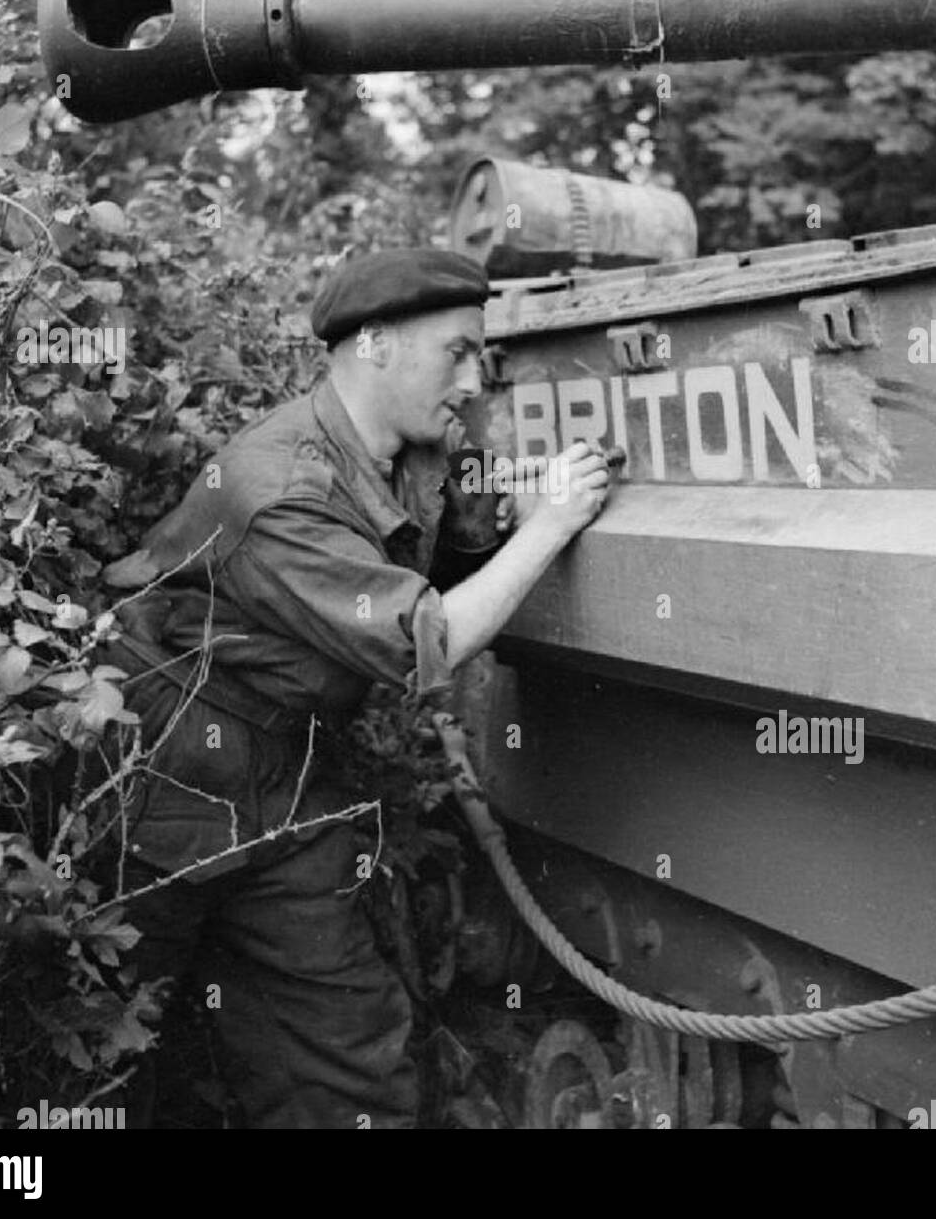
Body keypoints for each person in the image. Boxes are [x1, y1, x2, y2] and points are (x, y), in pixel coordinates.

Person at [96, 247, 614, 1128]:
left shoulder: (404, 450)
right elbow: (433, 639)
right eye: (455, 353)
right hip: (168, 769)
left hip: (293, 771)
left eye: (479, 358)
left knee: (346, 1054)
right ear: (374, 344)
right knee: (106, 1035)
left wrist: (513, 505)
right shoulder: (276, 488)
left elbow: (447, 538)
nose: (472, 380)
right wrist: (559, 521)